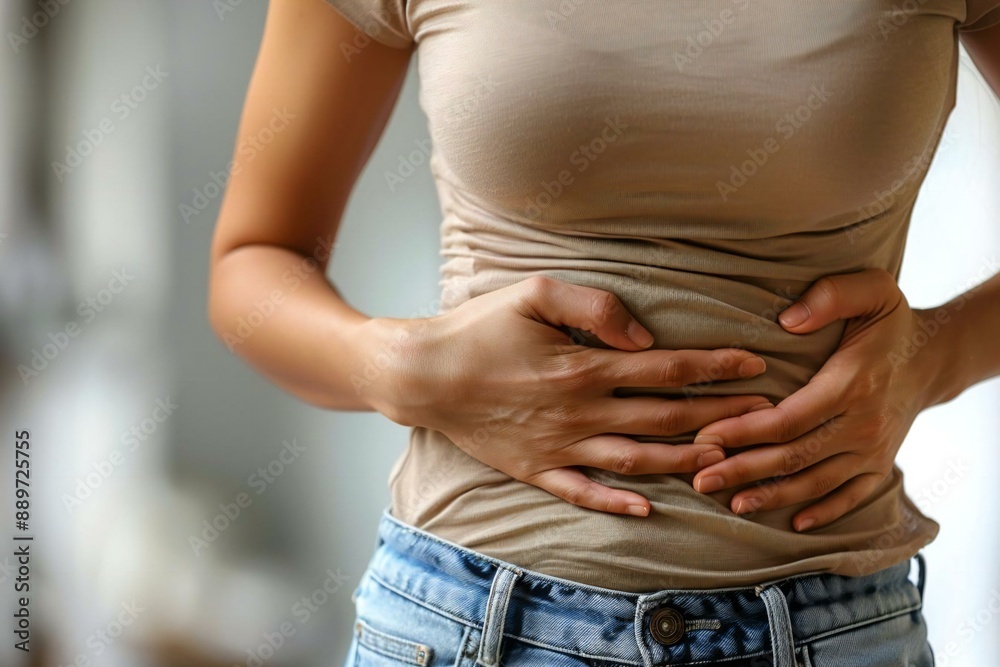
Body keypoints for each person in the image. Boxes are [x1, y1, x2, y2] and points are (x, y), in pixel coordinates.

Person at [206, 0, 1000, 664]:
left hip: (835, 629)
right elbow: (252, 262)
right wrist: (406, 368)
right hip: (470, 618)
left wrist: (935, 358)